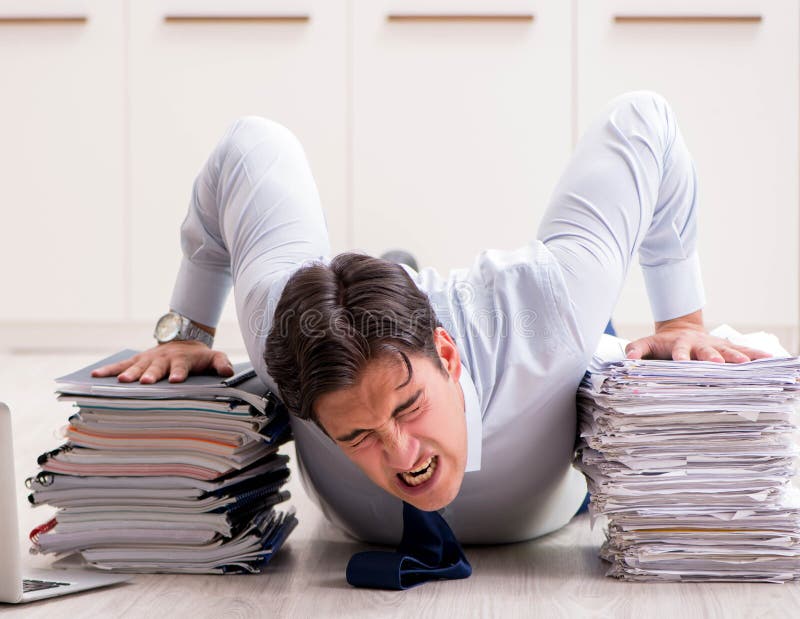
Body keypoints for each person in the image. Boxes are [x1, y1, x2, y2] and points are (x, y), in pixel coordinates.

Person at [92, 91, 769, 545]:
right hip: (370, 368)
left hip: (532, 362)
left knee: (596, 346)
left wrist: (682, 319)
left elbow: (644, 120)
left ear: (447, 354)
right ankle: (394, 269)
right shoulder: (284, 337)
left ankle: (401, 276)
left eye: (409, 405)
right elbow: (249, 145)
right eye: (356, 434)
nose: (403, 455)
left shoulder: (553, 302)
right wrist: (189, 329)